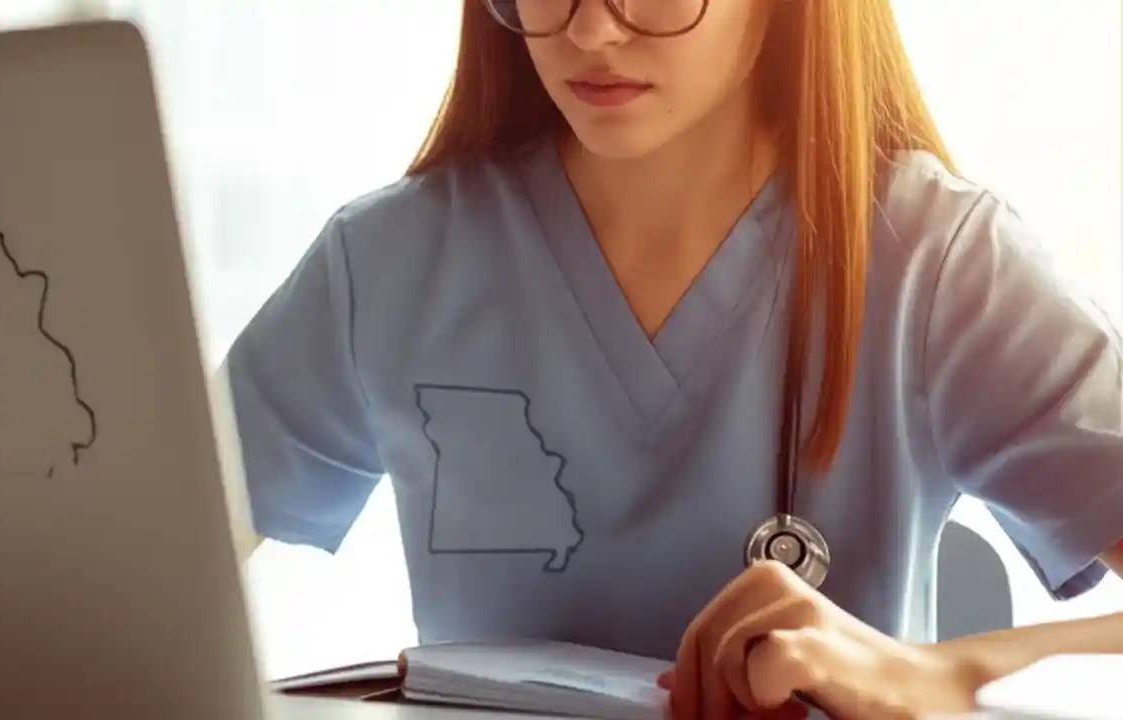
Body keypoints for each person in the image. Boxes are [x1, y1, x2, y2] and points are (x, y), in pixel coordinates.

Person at [219, 0, 1123, 716]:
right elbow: (122, 565)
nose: (591, 27)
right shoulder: (389, 260)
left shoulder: (939, 261)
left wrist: (951, 675)